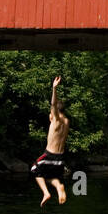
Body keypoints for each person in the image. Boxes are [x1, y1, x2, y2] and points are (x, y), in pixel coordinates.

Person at [31, 75, 69, 206]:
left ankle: (46, 193)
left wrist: (54, 88)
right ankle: (59, 187)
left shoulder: (56, 119)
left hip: (50, 154)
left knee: (34, 168)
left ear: (55, 112)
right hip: (60, 157)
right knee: (48, 176)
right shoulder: (67, 121)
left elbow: (53, 104)